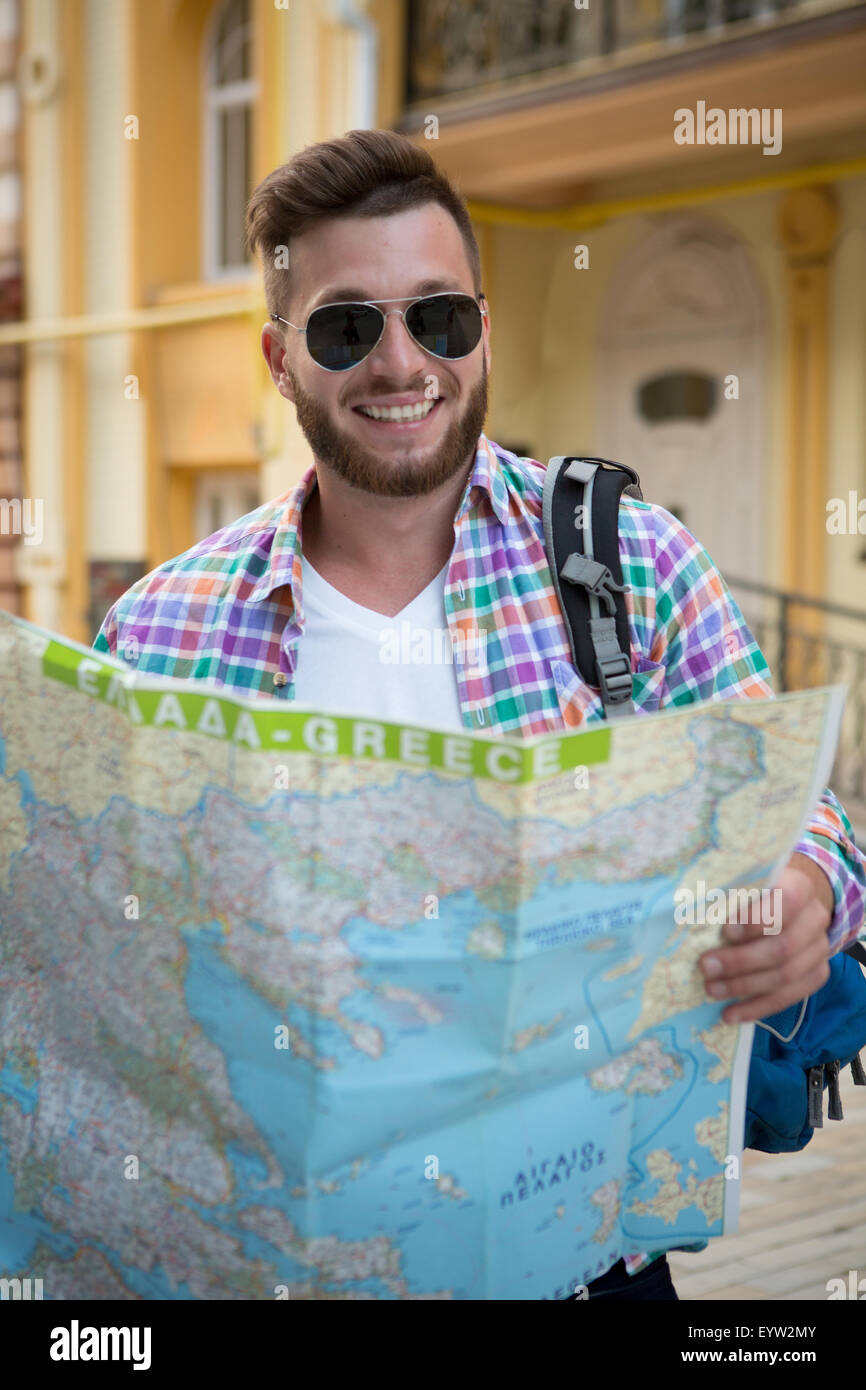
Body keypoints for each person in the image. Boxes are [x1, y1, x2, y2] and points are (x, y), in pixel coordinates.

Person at [93, 127, 866, 1301]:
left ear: (483, 329)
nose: (402, 362)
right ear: (277, 357)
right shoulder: (161, 632)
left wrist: (803, 895)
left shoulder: (631, 564)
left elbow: (811, 824)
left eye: (437, 317)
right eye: (347, 325)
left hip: (584, 1263)